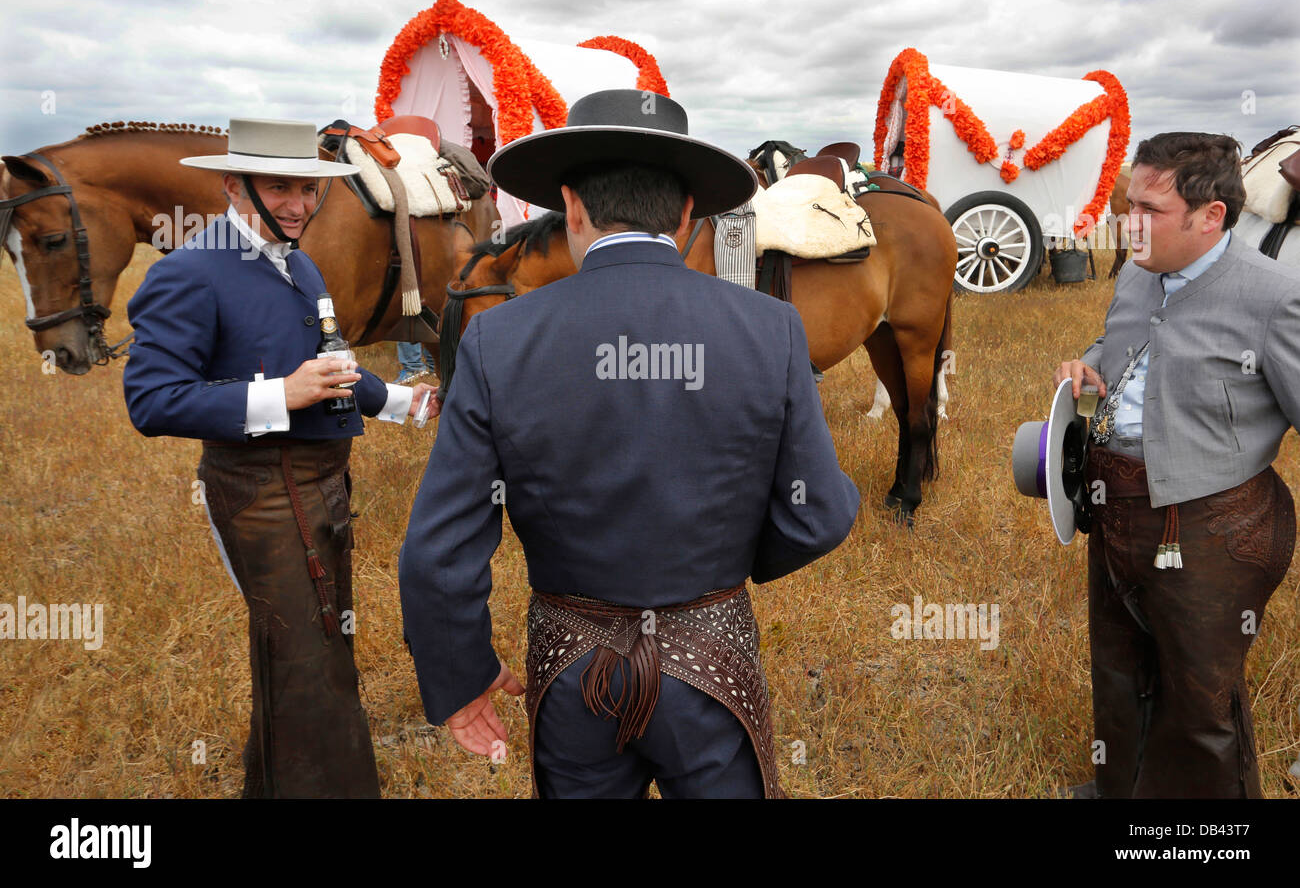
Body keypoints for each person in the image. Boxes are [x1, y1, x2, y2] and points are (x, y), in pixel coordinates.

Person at [398, 89, 860, 798]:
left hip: (571, 667)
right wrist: (716, 573)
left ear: (571, 207)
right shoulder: (771, 328)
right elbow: (821, 513)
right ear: (684, 216)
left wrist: (459, 674)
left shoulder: (498, 339)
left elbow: (438, 548)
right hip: (713, 666)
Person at [123, 118, 437, 798]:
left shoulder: (300, 260)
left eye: (307, 189)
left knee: (311, 659)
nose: (298, 204)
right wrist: (278, 395)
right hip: (260, 494)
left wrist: (403, 403)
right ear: (235, 187)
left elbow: (328, 364)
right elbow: (150, 401)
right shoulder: (188, 274)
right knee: (307, 667)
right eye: (279, 188)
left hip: (324, 485)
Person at [1054, 131, 1299, 798]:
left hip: (1216, 530)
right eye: (1126, 203)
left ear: (1211, 215)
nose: (1127, 223)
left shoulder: (1277, 297)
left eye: (1149, 209)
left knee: (1200, 700)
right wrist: (1090, 364)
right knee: (1118, 668)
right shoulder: (1136, 273)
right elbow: (1119, 343)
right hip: (1114, 512)